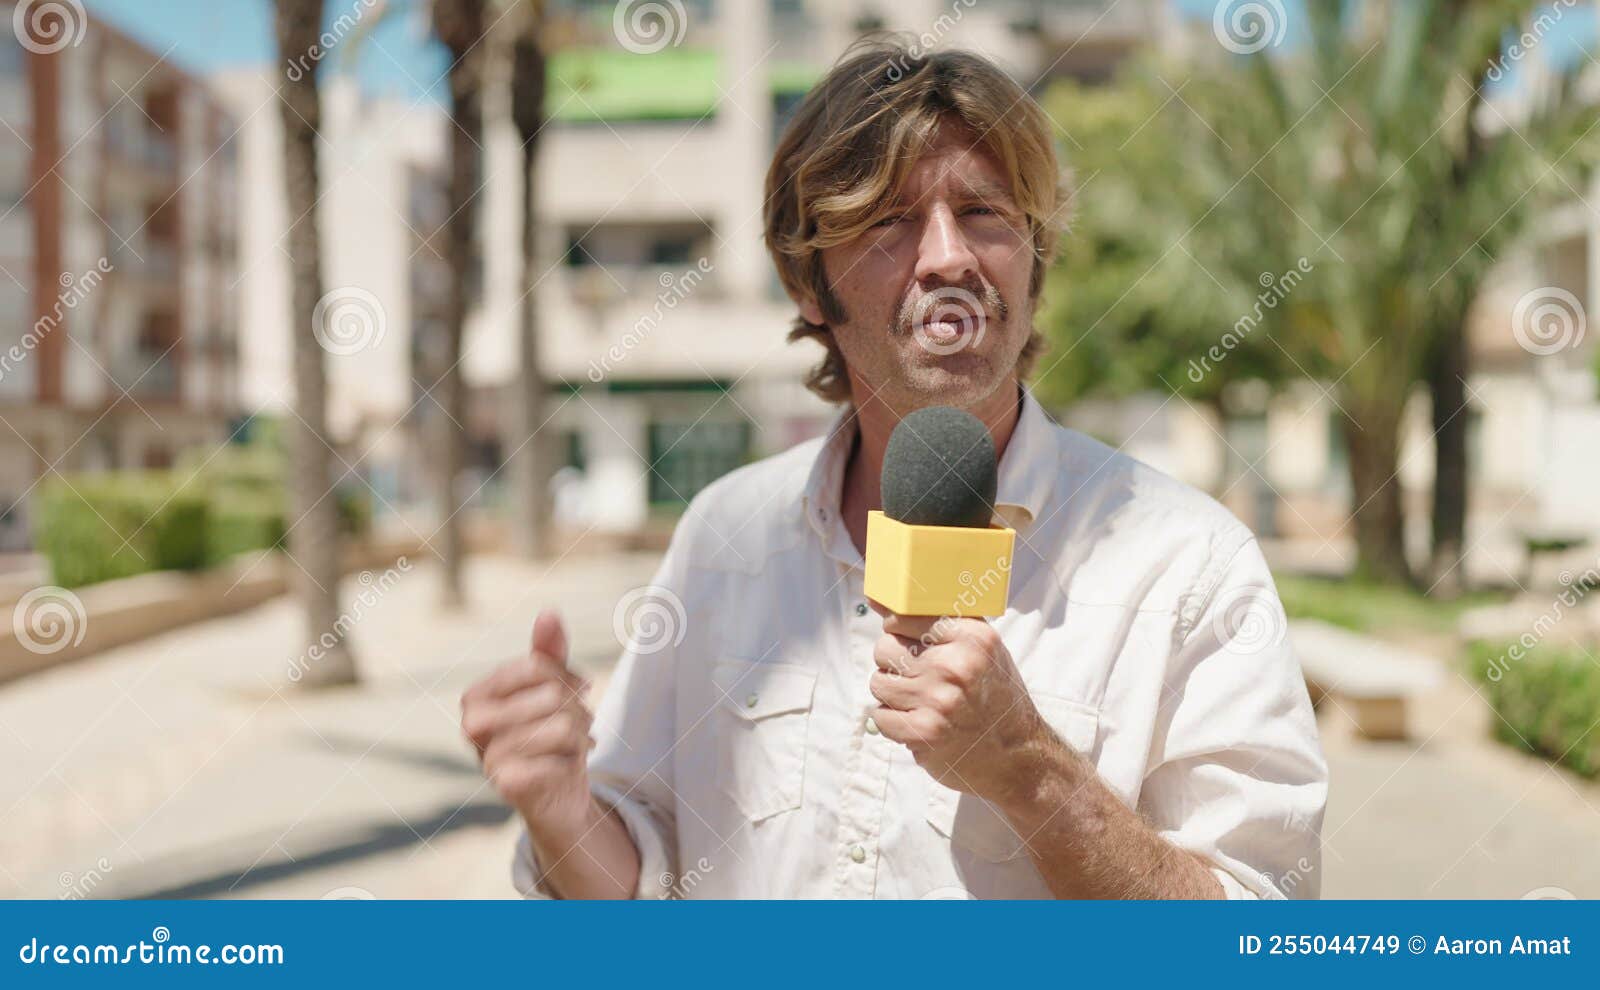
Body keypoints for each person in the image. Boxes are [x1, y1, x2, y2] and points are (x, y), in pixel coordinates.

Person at [460, 39, 1327, 899]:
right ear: (809, 284)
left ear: (1033, 263)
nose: (948, 256)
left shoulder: (1188, 564)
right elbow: (640, 885)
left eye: (985, 213)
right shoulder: (727, 537)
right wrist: (561, 809)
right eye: (889, 221)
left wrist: (1030, 773)